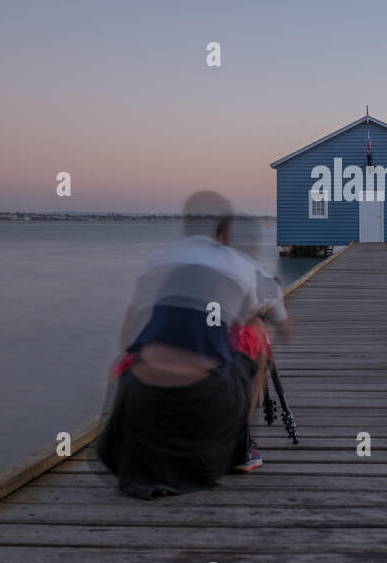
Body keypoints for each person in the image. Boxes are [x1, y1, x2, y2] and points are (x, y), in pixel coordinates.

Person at [96, 192, 290, 499]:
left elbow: (129, 334)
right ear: (226, 230)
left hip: (138, 395)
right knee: (255, 333)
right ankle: (242, 451)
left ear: (186, 225)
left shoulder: (156, 262)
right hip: (205, 399)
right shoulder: (236, 264)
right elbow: (249, 316)